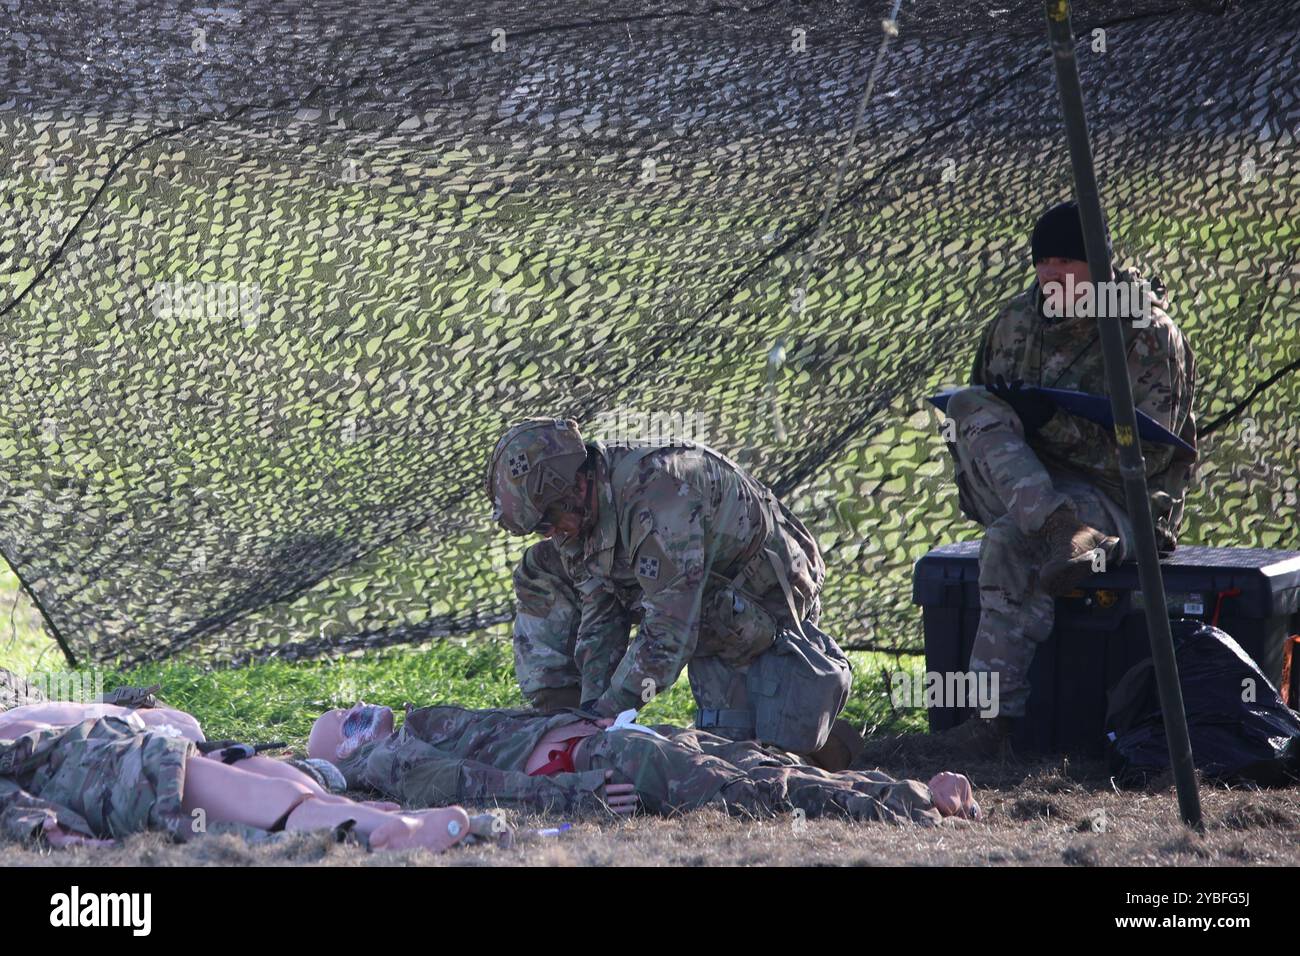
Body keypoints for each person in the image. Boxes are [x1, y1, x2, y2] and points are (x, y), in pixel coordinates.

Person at [941, 200, 1197, 756]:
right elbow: (982, 412)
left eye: (1068, 261)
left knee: (1008, 541)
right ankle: (1059, 525)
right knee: (969, 405)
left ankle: (990, 725)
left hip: (1119, 499)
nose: (1052, 273)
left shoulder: (1144, 331)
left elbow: (1149, 459)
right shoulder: (1016, 321)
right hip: (1034, 488)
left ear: (1100, 266)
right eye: (1044, 260)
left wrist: (1052, 424)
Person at [487, 417, 863, 770]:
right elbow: (602, 614)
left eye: (546, 522)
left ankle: (812, 734)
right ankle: (794, 732)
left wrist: (617, 708)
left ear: (575, 488)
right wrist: (590, 710)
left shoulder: (660, 496)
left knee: (746, 762)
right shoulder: (581, 517)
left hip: (767, 597)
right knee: (727, 748)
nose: (549, 533)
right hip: (703, 595)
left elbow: (671, 633)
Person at [311, 701, 981, 826]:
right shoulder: (388, 762)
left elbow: (512, 734)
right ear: (345, 753)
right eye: (344, 721)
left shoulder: (420, 720)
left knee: (756, 763)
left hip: (613, 736)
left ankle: (909, 789)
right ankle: (906, 804)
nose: (358, 709)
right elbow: (478, 786)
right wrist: (579, 797)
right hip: (604, 760)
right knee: (754, 792)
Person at [0, 696, 473, 852]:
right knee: (263, 802)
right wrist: (49, 828)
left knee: (264, 776)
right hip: (121, 775)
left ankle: (349, 811)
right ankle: (382, 830)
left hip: (138, 752)